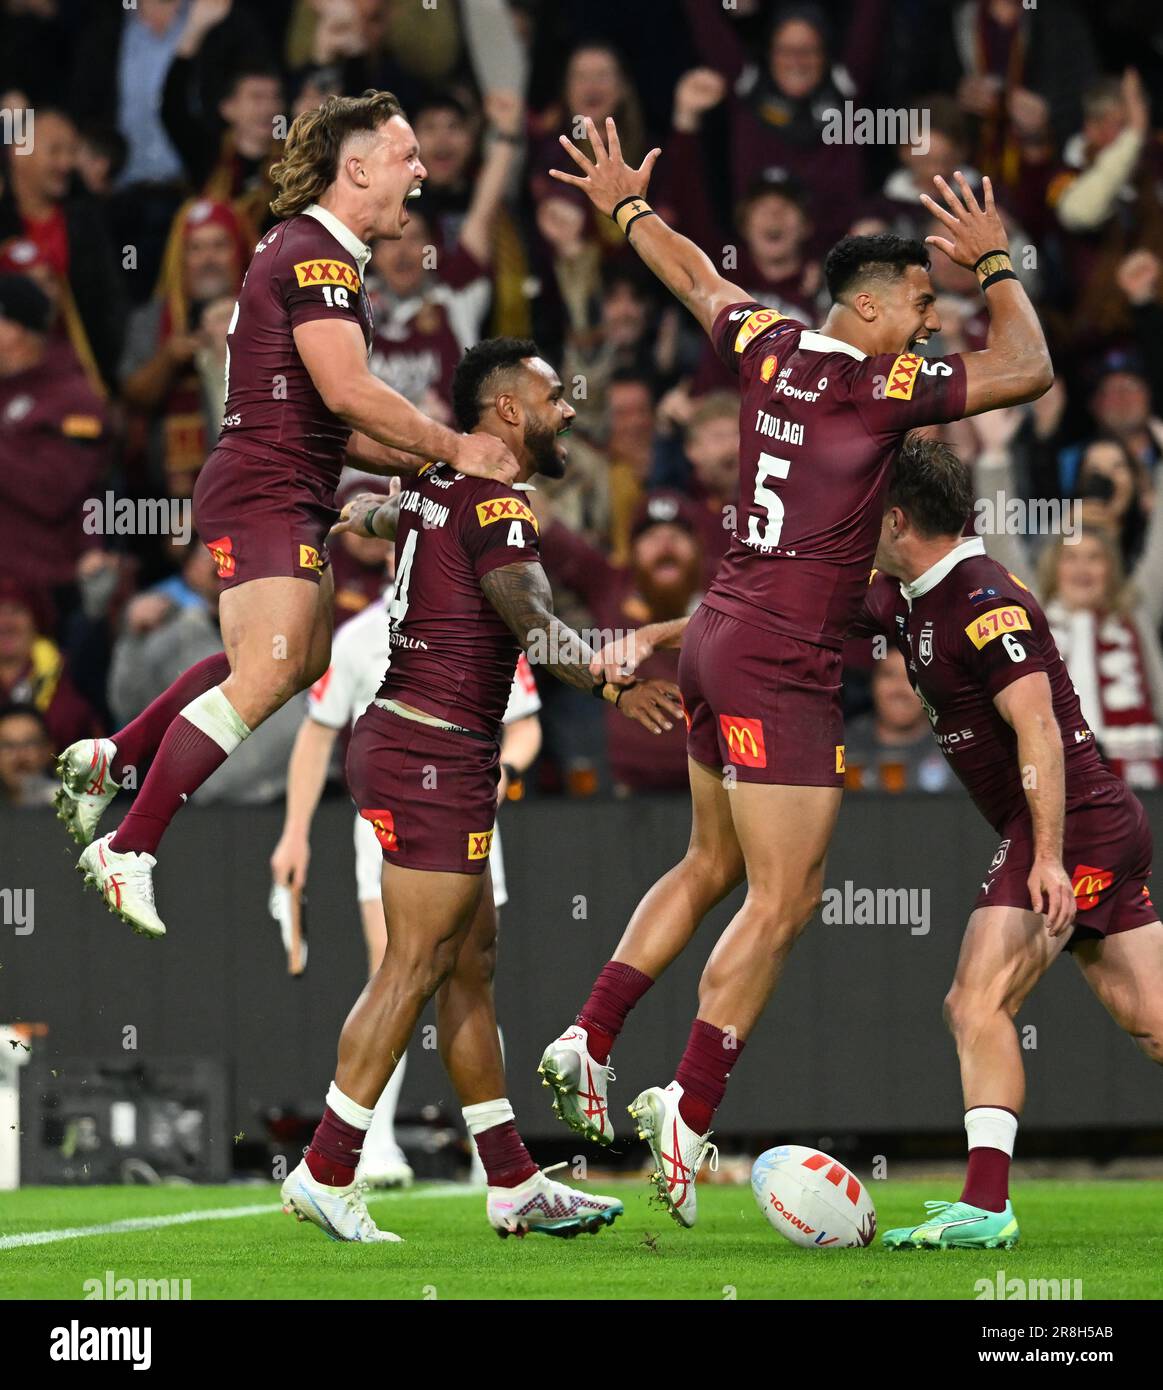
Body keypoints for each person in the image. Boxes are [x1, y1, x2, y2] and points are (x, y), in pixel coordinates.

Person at [538, 114, 1052, 1228]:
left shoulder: (769, 342)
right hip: (779, 664)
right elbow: (1028, 365)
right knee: (787, 896)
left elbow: (690, 275)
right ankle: (687, 1104)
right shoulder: (876, 387)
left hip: (721, 632)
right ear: (868, 308)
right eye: (921, 303)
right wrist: (999, 259)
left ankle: (588, 1031)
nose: (932, 319)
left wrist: (626, 207)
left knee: (708, 863)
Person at [56, 90, 518, 939]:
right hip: (267, 490)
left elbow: (330, 423)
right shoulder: (317, 259)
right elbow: (348, 394)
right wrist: (456, 450)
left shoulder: (308, 250)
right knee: (269, 670)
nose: (420, 172)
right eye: (406, 155)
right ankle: (129, 845)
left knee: (290, 662)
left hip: (285, 484)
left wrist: (428, 464)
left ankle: (113, 757)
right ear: (358, 167)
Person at [279, 337, 682, 1242]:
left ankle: (509, 1180)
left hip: (427, 748)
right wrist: (616, 682)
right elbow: (535, 626)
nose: (567, 409)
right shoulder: (496, 506)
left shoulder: (433, 482)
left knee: (468, 964)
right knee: (415, 964)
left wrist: (358, 515)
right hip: (430, 751)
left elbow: (384, 515)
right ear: (507, 411)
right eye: (551, 396)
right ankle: (326, 1167)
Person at [852, 436, 1160, 1249]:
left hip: (1073, 819)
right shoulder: (908, 595)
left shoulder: (983, 597)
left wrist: (1050, 854)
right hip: (1093, 821)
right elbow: (787, 607)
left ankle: (986, 1206)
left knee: (975, 1001)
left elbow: (1039, 733)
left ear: (895, 518)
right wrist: (666, 639)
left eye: (863, 508)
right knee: (1153, 1023)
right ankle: (985, 1205)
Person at [270, 553, 542, 1188]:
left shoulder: (490, 625)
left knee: (469, 978)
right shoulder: (359, 638)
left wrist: (507, 774)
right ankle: (370, 1145)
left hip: (470, 810)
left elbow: (525, 728)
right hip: (393, 819)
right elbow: (316, 734)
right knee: (399, 969)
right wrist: (293, 833)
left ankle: (493, 1156)